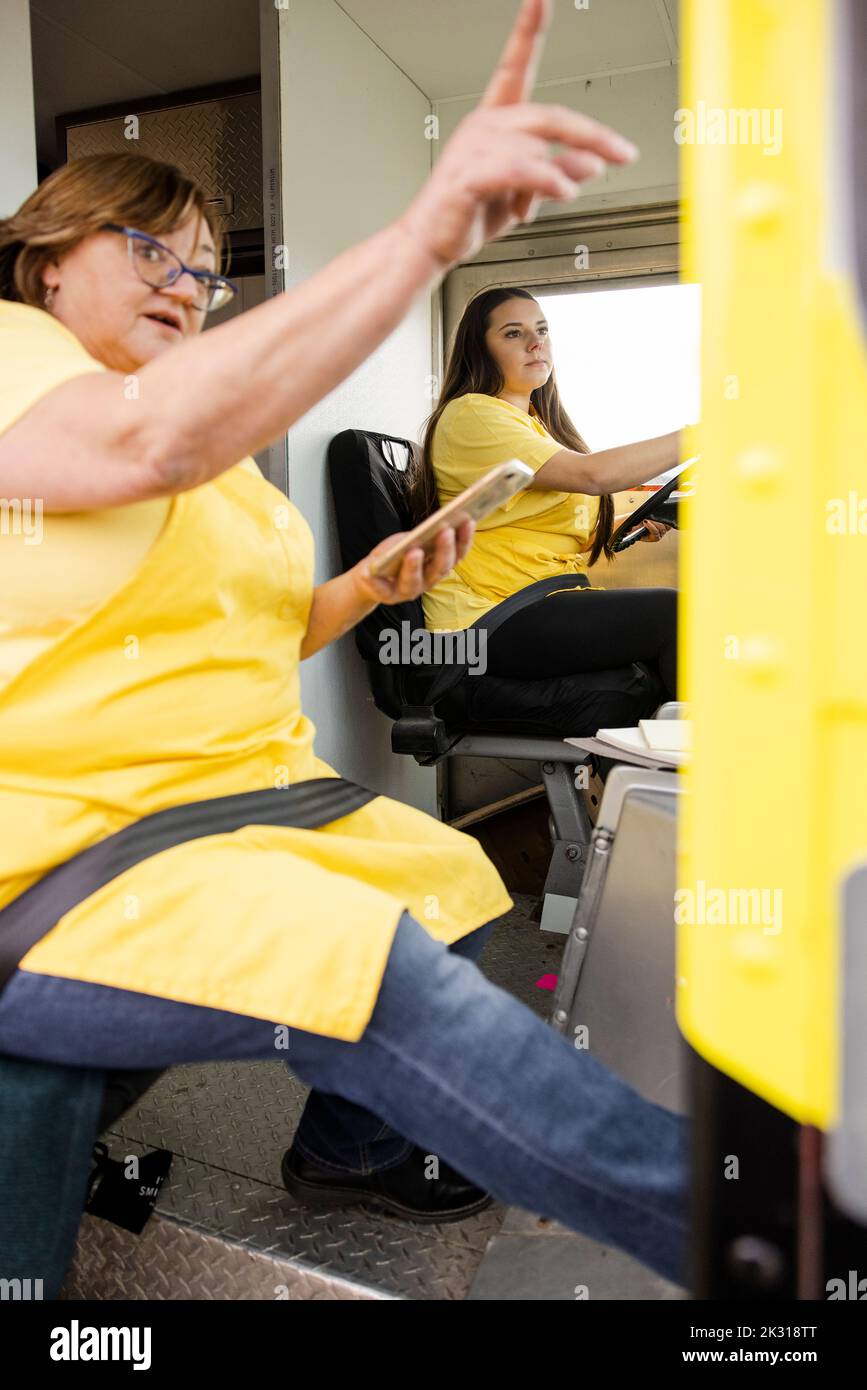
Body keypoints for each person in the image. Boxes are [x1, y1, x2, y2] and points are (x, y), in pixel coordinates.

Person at [0, 0, 686, 1284]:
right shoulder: (17, 366)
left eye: (205, 269)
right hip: (71, 836)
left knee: (448, 882)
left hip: (231, 795)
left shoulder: (218, 468)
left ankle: (349, 1154)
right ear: (47, 260)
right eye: (153, 249)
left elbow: (261, 624)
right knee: (377, 969)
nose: (186, 285)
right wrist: (431, 230)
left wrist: (367, 588)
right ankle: (773, 1240)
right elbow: (139, 442)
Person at [415, 285, 682, 727]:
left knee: (651, 666)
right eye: (514, 333)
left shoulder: (534, 427)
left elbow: (544, 523)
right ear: (480, 350)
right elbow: (593, 475)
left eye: (542, 329)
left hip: (534, 601)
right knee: (677, 616)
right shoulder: (474, 415)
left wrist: (625, 526)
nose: (536, 342)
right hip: (487, 619)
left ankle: (655, 782)